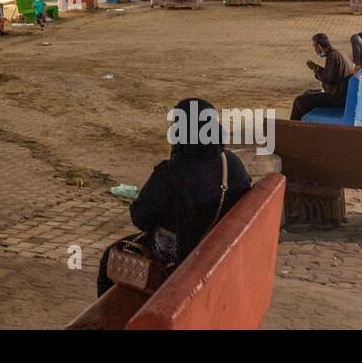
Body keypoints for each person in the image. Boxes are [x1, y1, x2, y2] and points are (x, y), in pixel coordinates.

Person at [96, 97, 252, 297]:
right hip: (218, 251)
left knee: (111, 254)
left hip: (180, 258)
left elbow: (140, 218)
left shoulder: (171, 171)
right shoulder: (232, 163)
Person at [292, 33, 354, 120]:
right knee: (306, 95)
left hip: (337, 99)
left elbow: (327, 78)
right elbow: (330, 73)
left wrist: (316, 70)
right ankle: (295, 126)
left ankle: (302, 126)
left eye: (315, 47)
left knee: (299, 101)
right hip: (342, 95)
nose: (315, 50)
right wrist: (317, 68)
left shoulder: (332, 57)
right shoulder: (337, 54)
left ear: (319, 46)